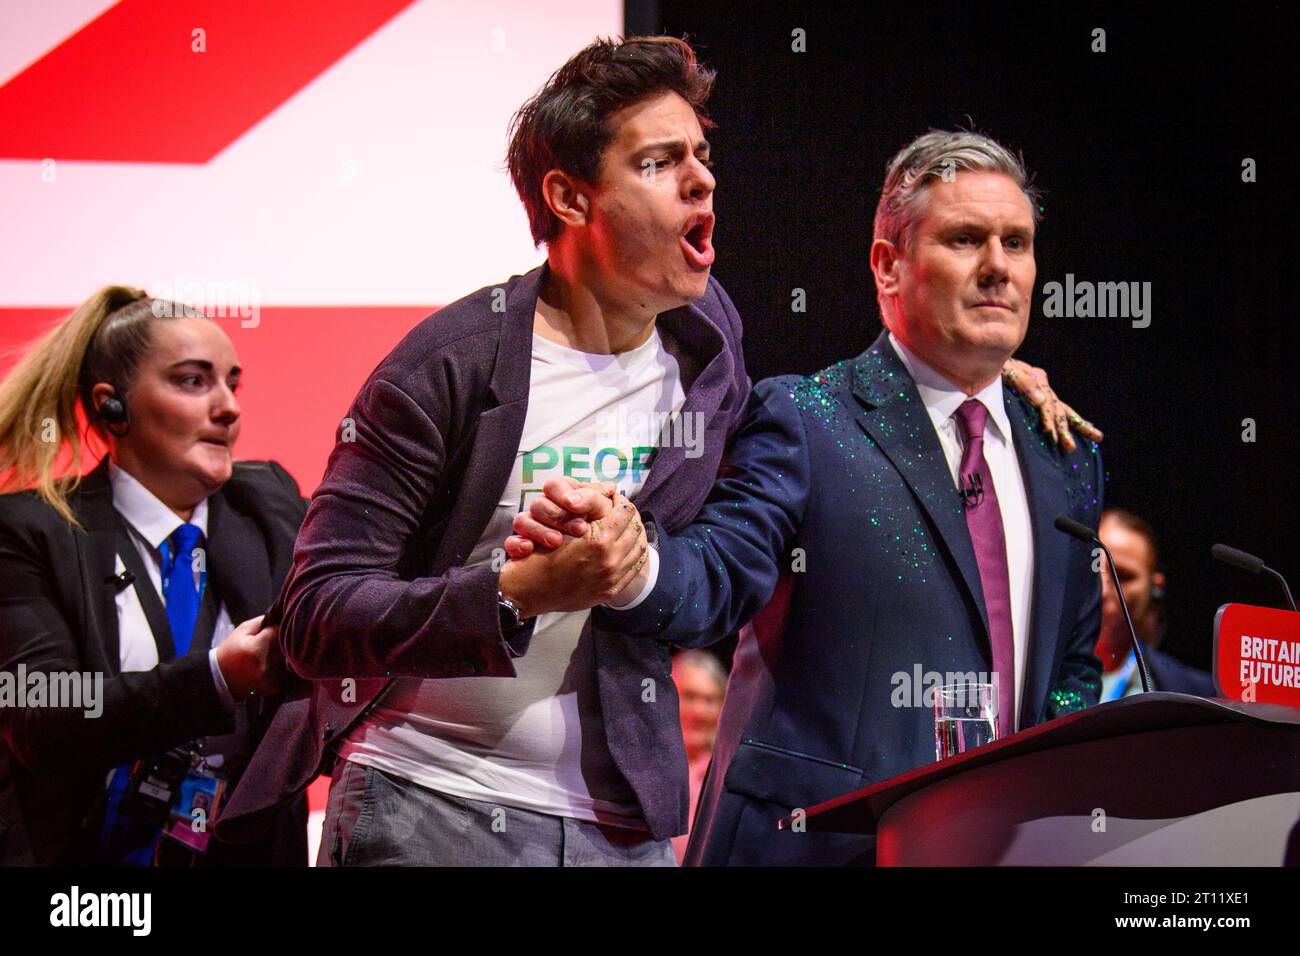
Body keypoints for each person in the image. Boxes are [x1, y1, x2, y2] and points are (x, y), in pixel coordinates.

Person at [219, 37, 1097, 866]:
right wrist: (513, 593)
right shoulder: (447, 366)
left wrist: (973, 384)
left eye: (701, 158)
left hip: (621, 827)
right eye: (659, 164)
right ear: (570, 199)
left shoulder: (710, 346)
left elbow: (858, 420)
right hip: (432, 804)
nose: (701, 184)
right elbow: (314, 615)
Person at [510, 130, 1108, 866]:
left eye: (1016, 244)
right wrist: (632, 561)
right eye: (965, 239)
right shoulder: (807, 417)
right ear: (889, 266)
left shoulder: (1067, 458)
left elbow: (1071, 675)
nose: (997, 268)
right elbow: (717, 576)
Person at [0, 285, 308, 865]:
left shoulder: (269, 505)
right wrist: (218, 676)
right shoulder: (30, 531)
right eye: (193, 381)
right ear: (113, 406)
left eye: (231, 383)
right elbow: (41, 716)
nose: (229, 407)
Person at [1096, 508, 1215, 698]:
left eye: (1123, 576)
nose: (1102, 590)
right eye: (1094, 569)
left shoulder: (1199, 694)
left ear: (1155, 589)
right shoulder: (1036, 670)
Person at [670, 650, 726, 863]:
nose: (699, 712)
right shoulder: (640, 771)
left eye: (710, 700)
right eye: (689, 696)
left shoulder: (724, 779)